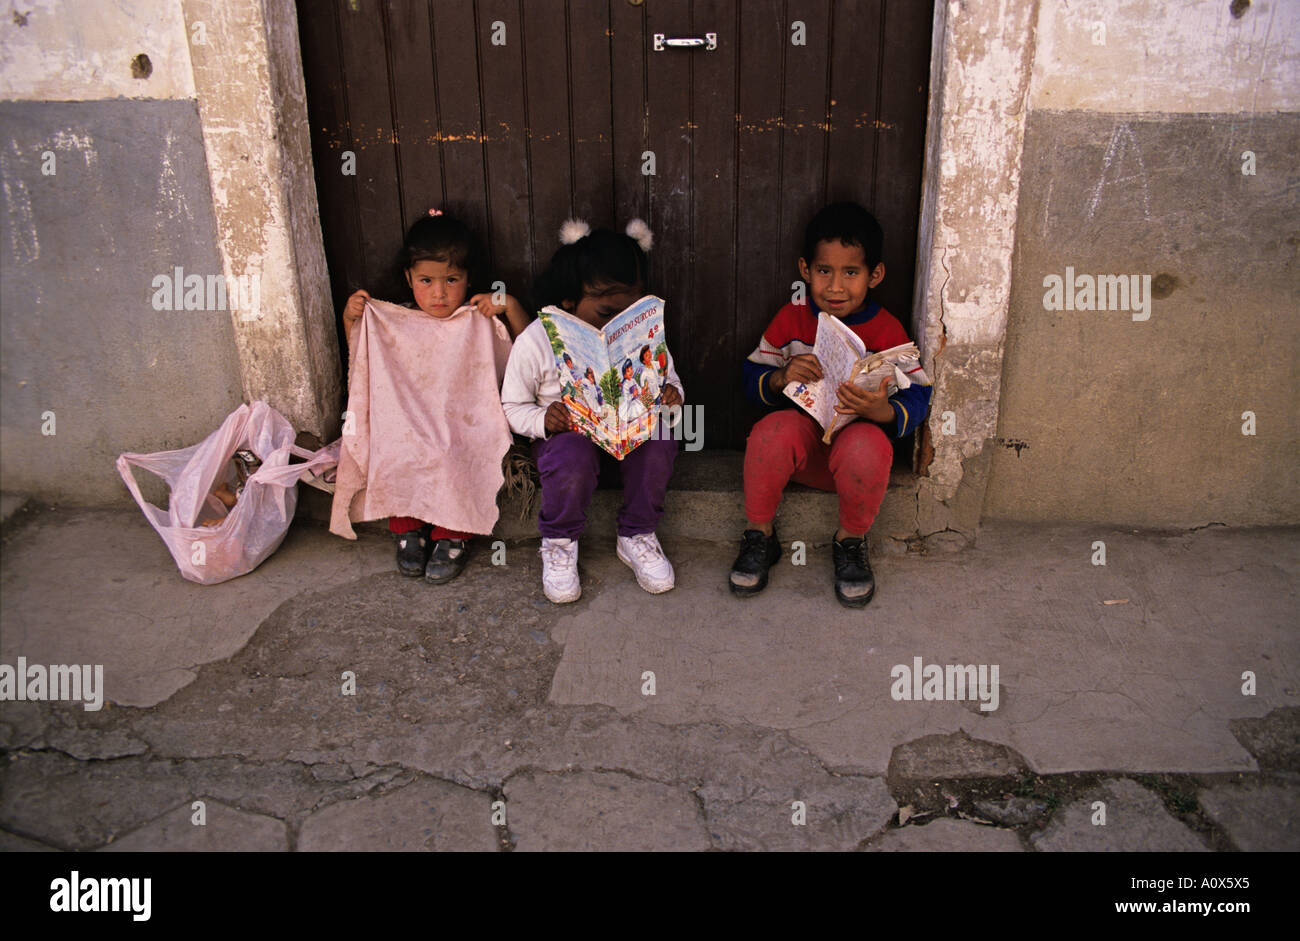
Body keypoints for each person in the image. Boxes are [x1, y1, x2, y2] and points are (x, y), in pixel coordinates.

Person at [729, 201, 931, 607]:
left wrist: (882, 412)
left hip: (856, 459)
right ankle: (760, 535)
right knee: (770, 432)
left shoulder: (887, 329)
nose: (835, 287)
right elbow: (752, 378)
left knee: (869, 443)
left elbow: (919, 395)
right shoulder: (793, 318)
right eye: (824, 271)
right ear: (805, 270)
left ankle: (851, 541)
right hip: (801, 455)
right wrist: (781, 377)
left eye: (851, 273)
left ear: (875, 275)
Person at [500, 219, 683, 603]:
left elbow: (673, 382)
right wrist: (543, 420)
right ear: (569, 299)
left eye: (629, 310)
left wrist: (672, 397)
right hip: (570, 445)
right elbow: (512, 406)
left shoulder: (644, 338)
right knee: (571, 452)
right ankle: (560, 541)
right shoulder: (537, 339)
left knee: (664, 435)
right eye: (604, 311)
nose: (617, 322)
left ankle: (637, 533)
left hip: (629, 438)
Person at [340, 209, 529, 582]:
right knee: (394, 444)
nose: (439, 293)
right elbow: (360, 357)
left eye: (452, 279)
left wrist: (510, 306)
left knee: (453, 450)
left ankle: (453, 532)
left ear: (468, 277)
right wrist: (351, 318)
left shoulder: (477, 318)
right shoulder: (395, 320)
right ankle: (406, 527)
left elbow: (529, 352)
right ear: (408, 277)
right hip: (407, 420)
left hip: (462, 422)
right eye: (426, 279)